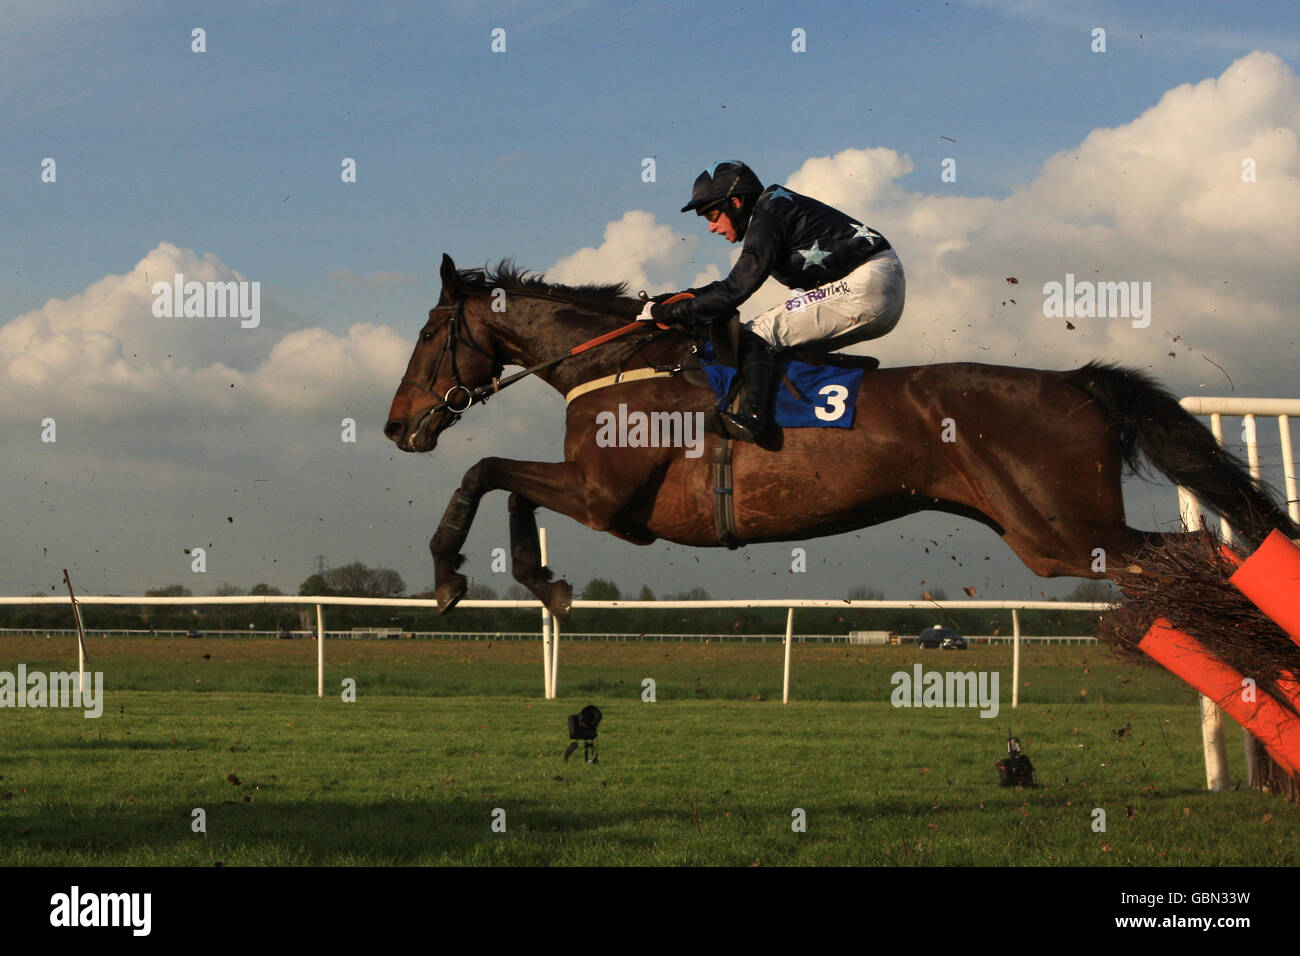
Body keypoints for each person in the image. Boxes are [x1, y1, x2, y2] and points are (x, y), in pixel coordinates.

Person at [640, 160, 905, 442]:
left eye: (712, 214)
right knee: (779, 340)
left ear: (737, 203)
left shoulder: (769, 214)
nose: (712, 227)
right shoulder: (771, 209)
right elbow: (728, 285)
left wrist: (671, 313)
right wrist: (672, 300)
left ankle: (752, 418)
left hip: (867, 283)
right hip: (876, 284)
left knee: (757, 333)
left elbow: (735, 290)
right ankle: (843, 373)